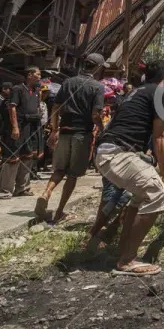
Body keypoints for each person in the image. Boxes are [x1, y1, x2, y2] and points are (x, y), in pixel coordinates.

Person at [92, 60, 164, 275]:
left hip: (109, 150)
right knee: (158, 194)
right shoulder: (160, 94)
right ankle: (127, 260)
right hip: (119, 153)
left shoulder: (137, 92)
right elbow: (160, 136)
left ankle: (123, 250)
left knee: (140, 197)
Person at [38, 55, 106, 223]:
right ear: (98, 67)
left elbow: (55, 107)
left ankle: (46, 193)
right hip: (82, 134)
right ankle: (60, 210)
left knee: (59, 169)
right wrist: (102, 128)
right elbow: (96, 115)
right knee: (73, 175)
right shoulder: (97, 87)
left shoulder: (68, 82)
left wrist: (54, 131)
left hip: (65, 131)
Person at [0, 68, 43, 199]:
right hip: (19, 126)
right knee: (12, 158)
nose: (40, 76)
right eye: (38, 74)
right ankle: (4, 190)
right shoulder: (18, 89)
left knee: (27, 157)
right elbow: (12, 107)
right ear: (29, 75)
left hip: (30, 127)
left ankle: (22, 188)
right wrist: (15, 127)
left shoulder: (36, 92)